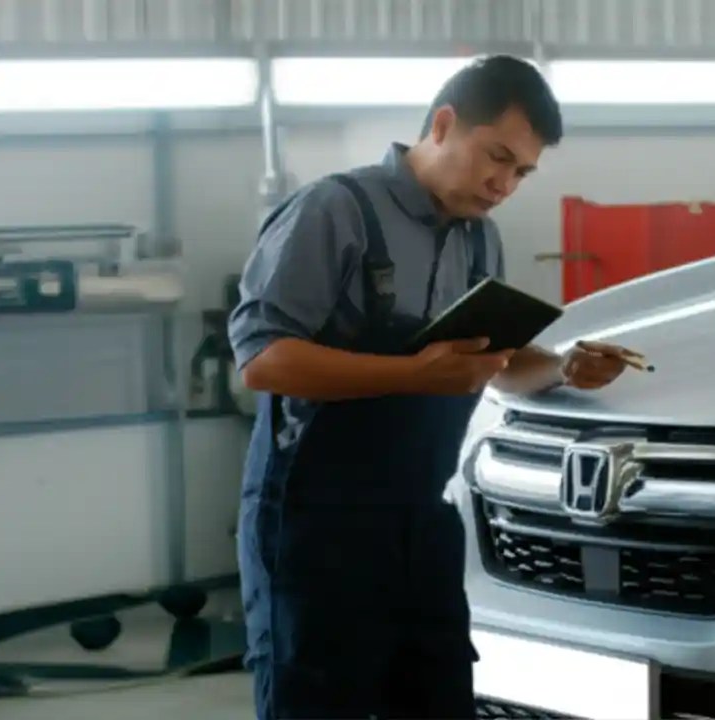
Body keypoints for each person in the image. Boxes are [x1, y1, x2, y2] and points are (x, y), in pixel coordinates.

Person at [228, 55, 634, 719]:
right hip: (315, 525)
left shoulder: (482, 242)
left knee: (438, 695)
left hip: (423, 521)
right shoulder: (337, 211)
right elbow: (263, 361)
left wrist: (562, 366)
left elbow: (488, 361)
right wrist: (413, 374)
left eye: (521, 172)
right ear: (444, 124)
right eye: (496, 156)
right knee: (319, 697)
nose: (504, 183)